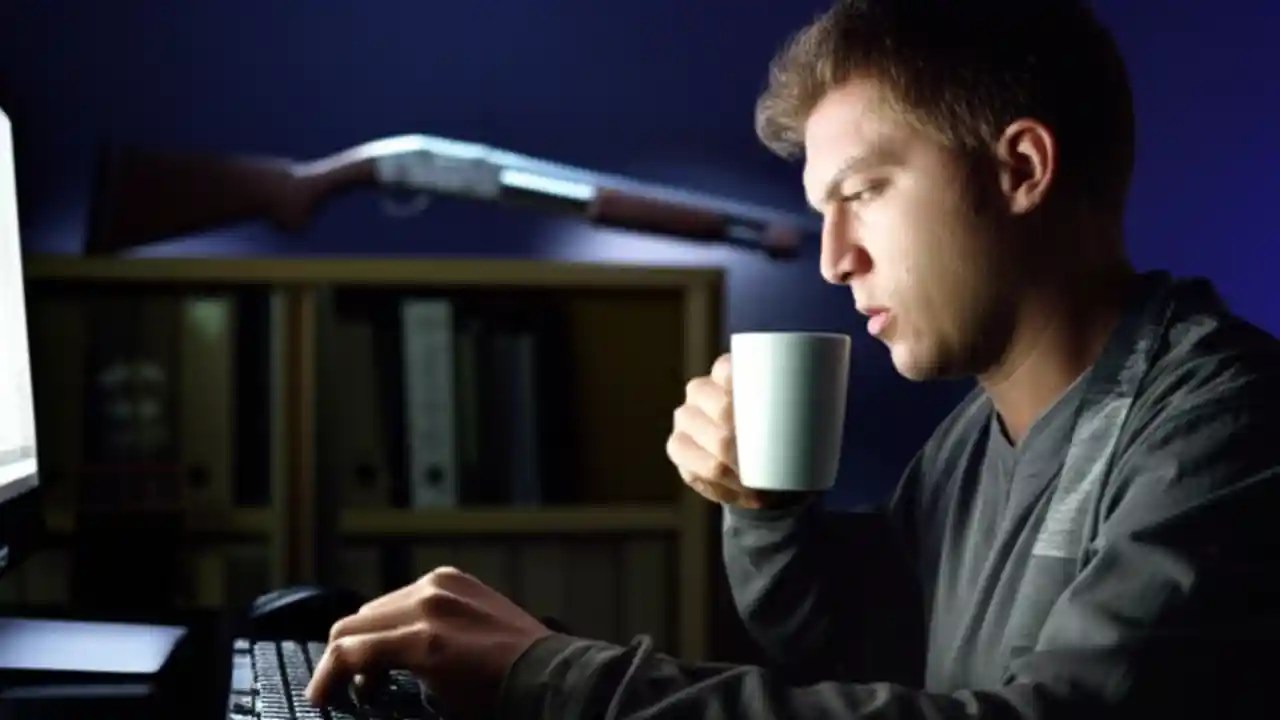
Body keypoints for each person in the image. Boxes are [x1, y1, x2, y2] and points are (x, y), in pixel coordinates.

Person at [306, 0, 1280, 717]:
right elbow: (850, 656)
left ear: (1019, 169)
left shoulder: (1224, 427)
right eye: (821, 210)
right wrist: (761, 511)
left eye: (863, 191)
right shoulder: (973, 441)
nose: (832, 258)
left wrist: (557, 678)